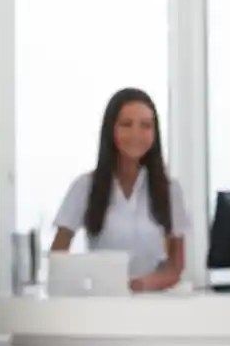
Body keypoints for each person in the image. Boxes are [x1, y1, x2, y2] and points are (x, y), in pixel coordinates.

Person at [51, 88, 190, 292]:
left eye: (146, 126)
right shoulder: (85, 186)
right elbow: (58, 255)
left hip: (155, 302)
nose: (136, 134)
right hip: (102, 302)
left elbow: (175, 266)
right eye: (126, 124)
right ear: (111, 130)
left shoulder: (170, 190)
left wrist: (139, 285)